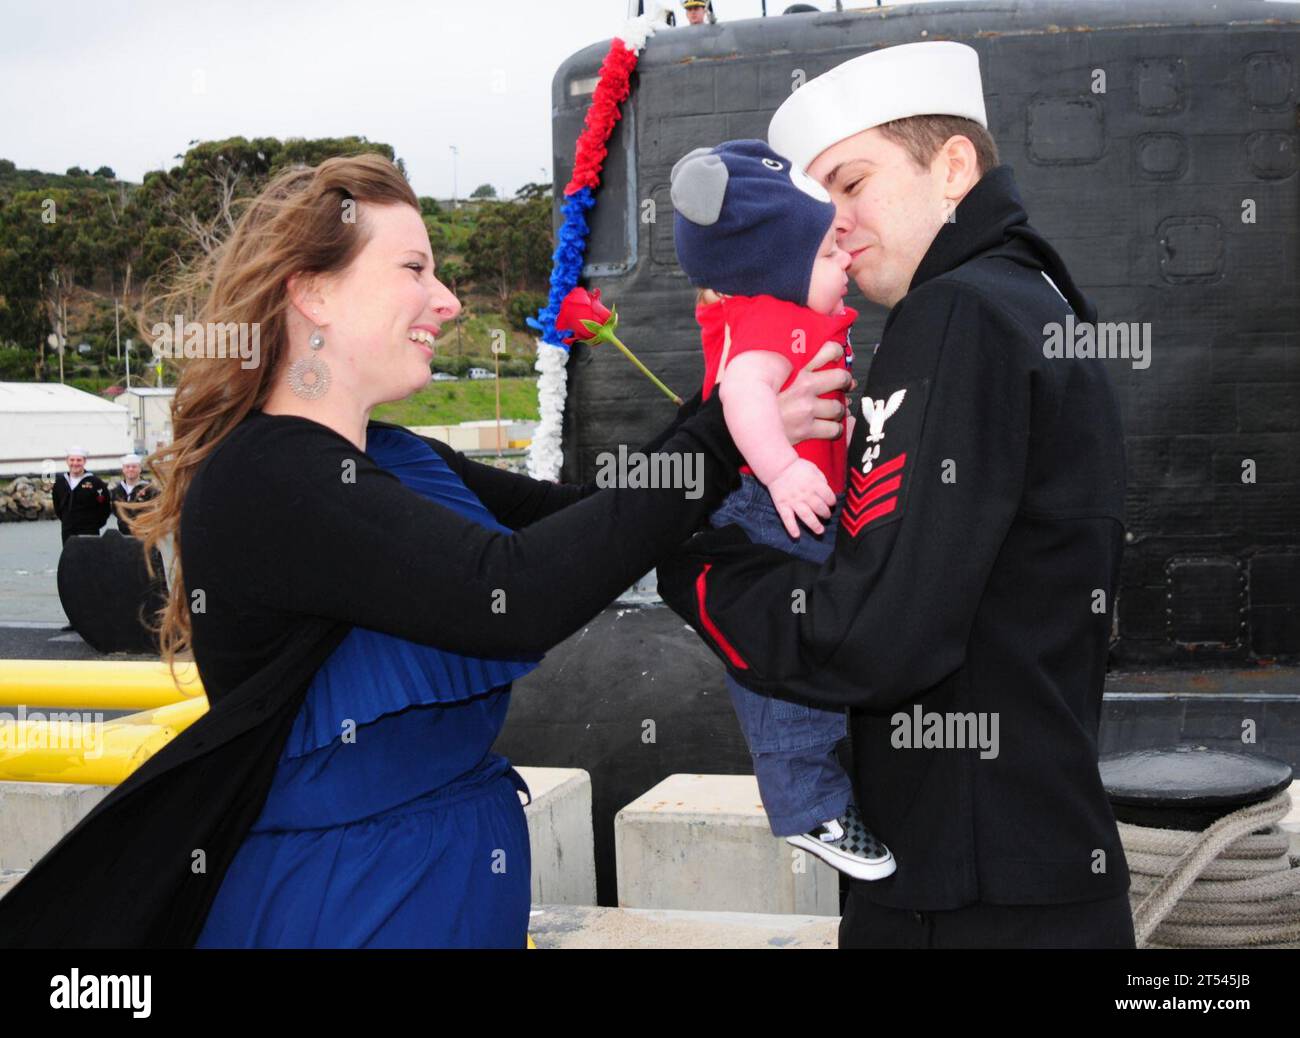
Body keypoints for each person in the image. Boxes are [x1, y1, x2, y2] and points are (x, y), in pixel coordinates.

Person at [0, 153, 852, 949]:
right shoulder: (269, 476)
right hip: (348, 902)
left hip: (434, 879)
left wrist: (738, 400)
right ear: (314, 296)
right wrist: (717, 435)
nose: (446, 301)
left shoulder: (397, 456)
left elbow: (592, 525)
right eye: (414, 270)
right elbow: (516, 595)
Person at [656, 41, 1135, 948]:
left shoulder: (952, 313)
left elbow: (876, 633)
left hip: (956, 894)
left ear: (953, 167)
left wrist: (694, 566)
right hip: (1039, 862)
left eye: (851, 182)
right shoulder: (1042, 299)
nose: (832, 224)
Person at [670, 138, 893, 880]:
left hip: (800, 501)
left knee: (813, 646)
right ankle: (808, 807)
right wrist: (786, 468)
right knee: (780, 664)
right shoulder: (768, 320)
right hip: (769, 507)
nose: (847, 268)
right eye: (830, 256)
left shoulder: (797, 317)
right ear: (773, 264)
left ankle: (825, 787)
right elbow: (741, 394)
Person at [51, 446, 111, 544]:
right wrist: (67, 520)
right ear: (67, 461)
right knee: (70, 558)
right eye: (72, 460)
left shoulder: (95, 483)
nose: (75, 463)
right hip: (68, 532)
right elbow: (57, 506)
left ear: (84, 461)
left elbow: (105, 507)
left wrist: (95, 525)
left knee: (90, 558)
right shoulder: (60, 483)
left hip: (90, 532)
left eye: (79, 460)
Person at [109, 453, 159, 537]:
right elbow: (116, 511)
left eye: (134, 466)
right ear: (123, 469)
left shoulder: (150, 489)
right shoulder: (117, 490)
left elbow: (156, 512)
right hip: (124, 535)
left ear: (140, 469)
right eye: (127, 467)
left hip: (145, 535)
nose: (130, 469)